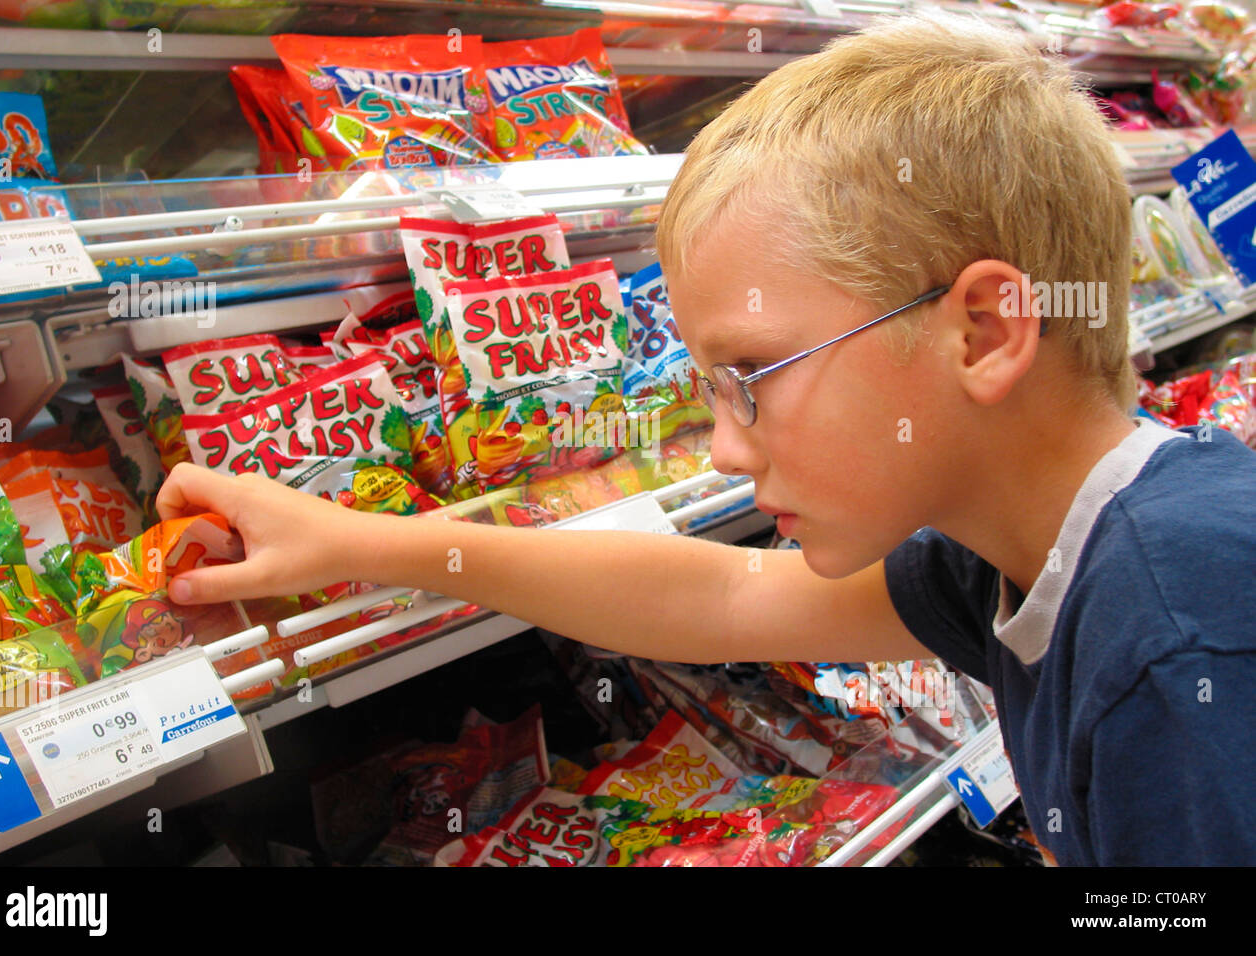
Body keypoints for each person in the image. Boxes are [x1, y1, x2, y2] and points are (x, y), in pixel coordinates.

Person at [156, 10, 1256, 865]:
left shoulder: (1175, 654)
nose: (726, 448)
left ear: (981, 331)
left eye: (751, 379)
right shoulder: (1016, 555)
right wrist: (359, 543)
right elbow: (721, 597)